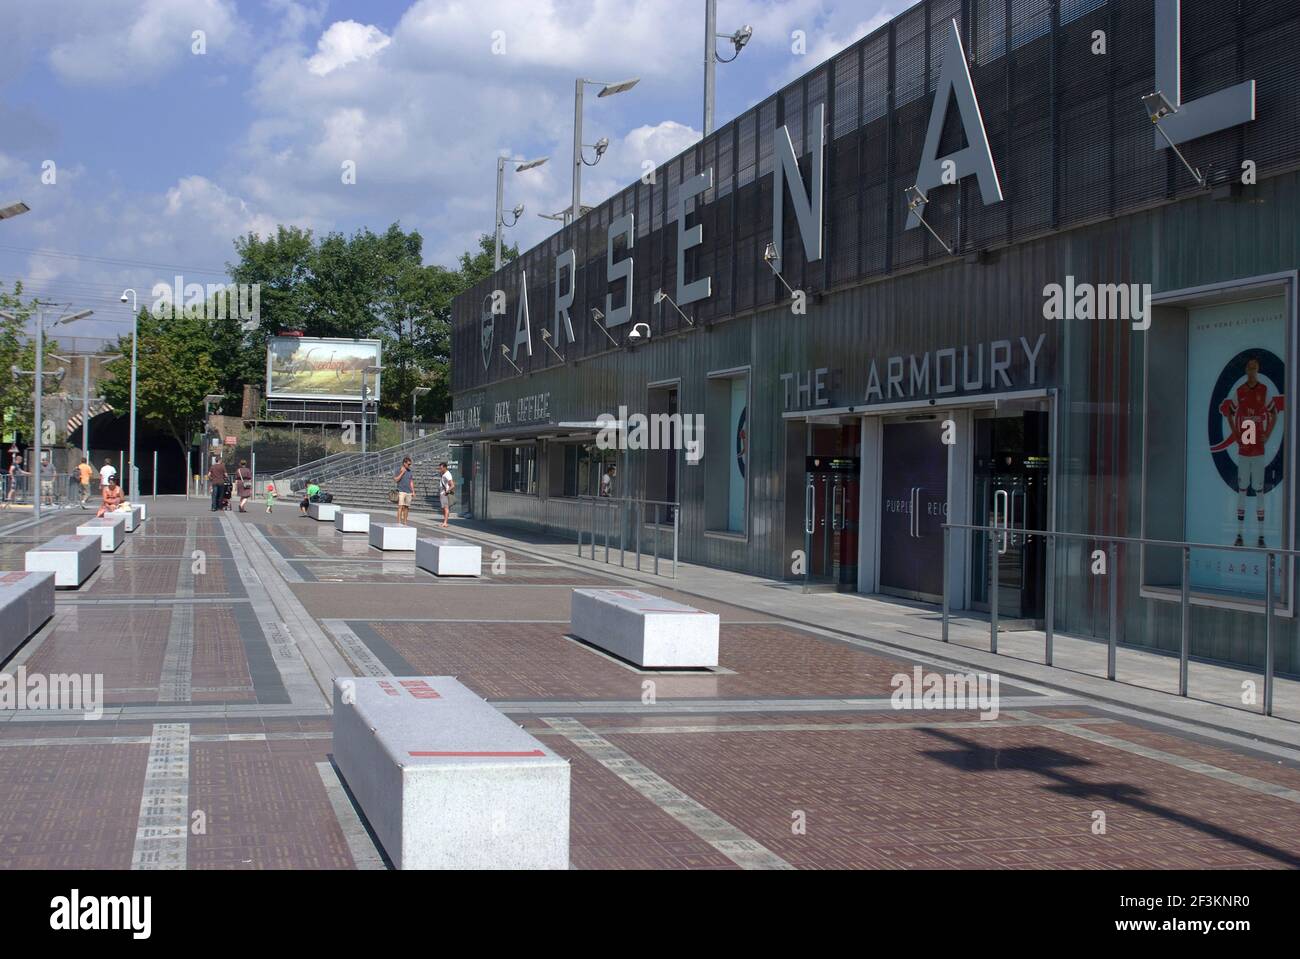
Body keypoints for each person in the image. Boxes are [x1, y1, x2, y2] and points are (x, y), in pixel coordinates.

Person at [1219, 355, 1286, 548]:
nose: (1252, 370)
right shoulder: (1239, 391)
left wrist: (1268, 433)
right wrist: (1235, 432)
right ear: (1246, 370)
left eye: (1255, 367)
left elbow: (1273, 412)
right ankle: (1239, 535)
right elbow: (1229, 411)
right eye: (1249, 367)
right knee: (1241, 490)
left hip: (1258, 449)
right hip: (1243, 449)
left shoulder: (1264, 390)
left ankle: (1261, 536)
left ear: (1258, 370)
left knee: (1259, 491)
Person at [394, 457, 415, 526]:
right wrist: (402, 472)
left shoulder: (410, 471)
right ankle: (399, 522)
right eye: (408, 464)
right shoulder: (398, 470)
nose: (409, 465)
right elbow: (396, 480)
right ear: (404, 463)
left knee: (406, 507)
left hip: (408, 491)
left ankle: (405, 522)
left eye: (410, 464)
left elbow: (411, 481)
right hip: (401, 491)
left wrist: (413, 491)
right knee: (400, 506)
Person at [437, 462, 455, 529]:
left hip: (445, 493)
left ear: (445, 467)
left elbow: (452, 485)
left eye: (441, 468)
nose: (440, 469)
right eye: (439, 468)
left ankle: (445, 523)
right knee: (443, 508)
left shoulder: (447, 474)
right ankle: (444, 522)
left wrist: (447, 491)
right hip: (442, 493)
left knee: (446, 508)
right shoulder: (443, 474)